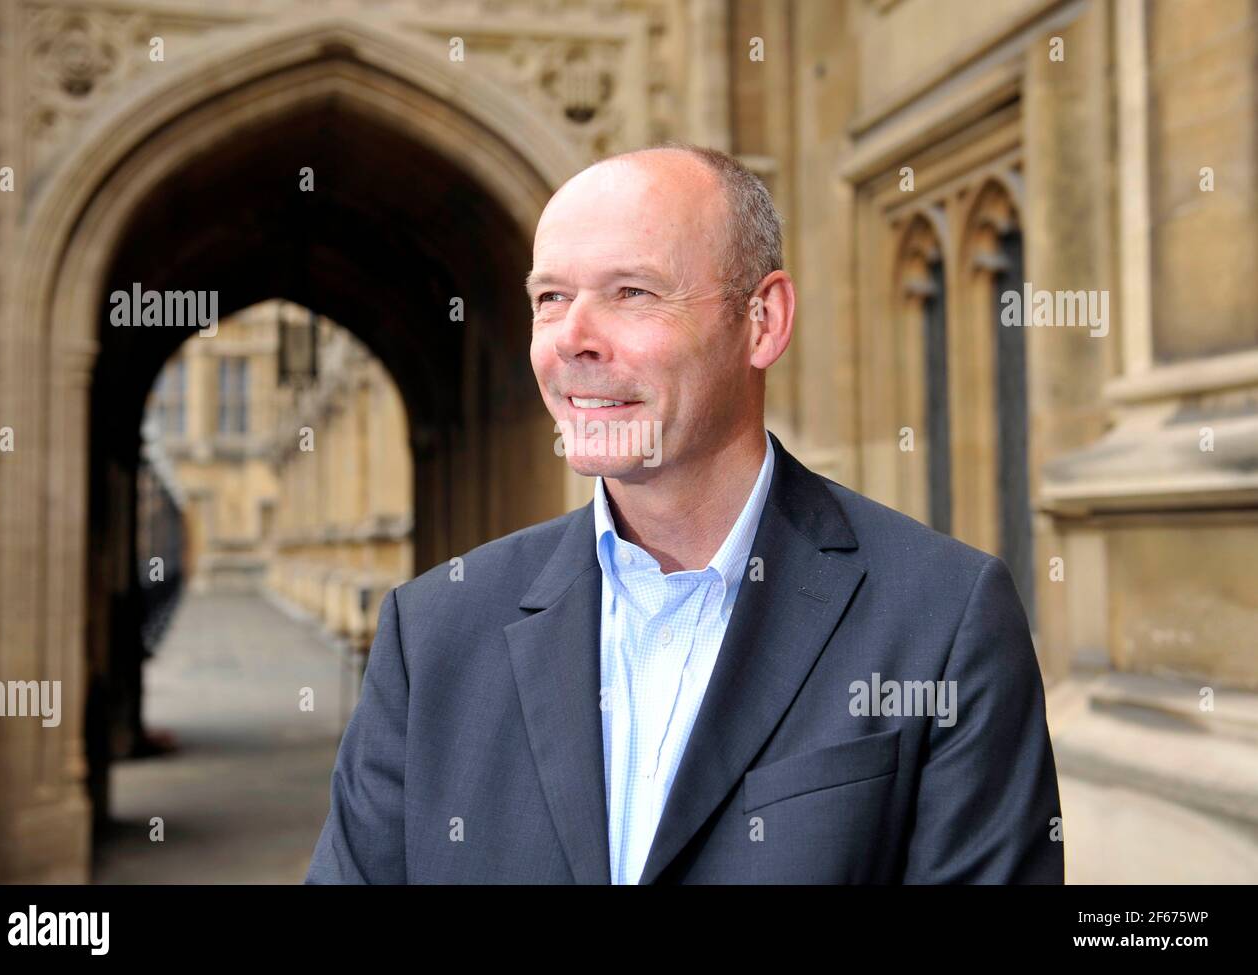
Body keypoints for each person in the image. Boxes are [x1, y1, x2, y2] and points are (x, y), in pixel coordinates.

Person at [304, 144, 1064, 884]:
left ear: (762, 321)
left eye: (633, 291)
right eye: (551, 298)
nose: (573, 338)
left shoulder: (942, 619)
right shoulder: (433, 631)